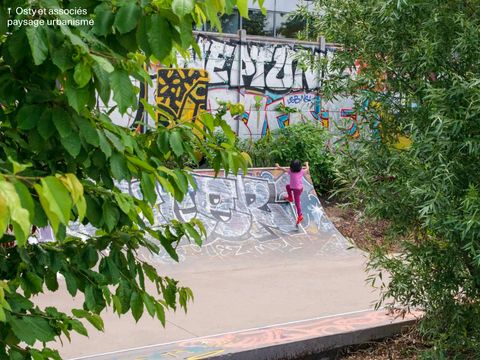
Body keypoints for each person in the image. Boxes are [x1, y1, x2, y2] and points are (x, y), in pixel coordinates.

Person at [275, 160, 309, 225]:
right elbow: (307, 169)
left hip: (297, 190)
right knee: (288, 187)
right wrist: (307, 164)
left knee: (297, 202)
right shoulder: (301, 171)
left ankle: (300, 215)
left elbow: (284, 169)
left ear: (291, 167)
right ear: (300, 167)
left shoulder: (290, 171)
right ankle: (290, 198)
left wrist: (279, 167)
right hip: (299, 188)